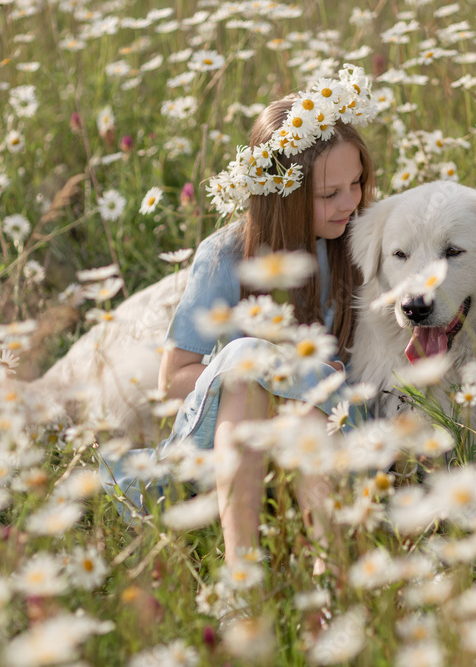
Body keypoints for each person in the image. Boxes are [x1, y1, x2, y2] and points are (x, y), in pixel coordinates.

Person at [154, 65, 378, 565]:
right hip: (237, 442)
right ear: (286, 192)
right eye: (330, 194)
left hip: (329, 432)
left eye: (357, 183)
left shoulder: (359, 245)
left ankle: (330, 572)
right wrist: (266, 367)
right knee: (249, 360)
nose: (352, 203)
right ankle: (243, 573)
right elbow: (172, 380)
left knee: (302, 401)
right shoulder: (225, 257)